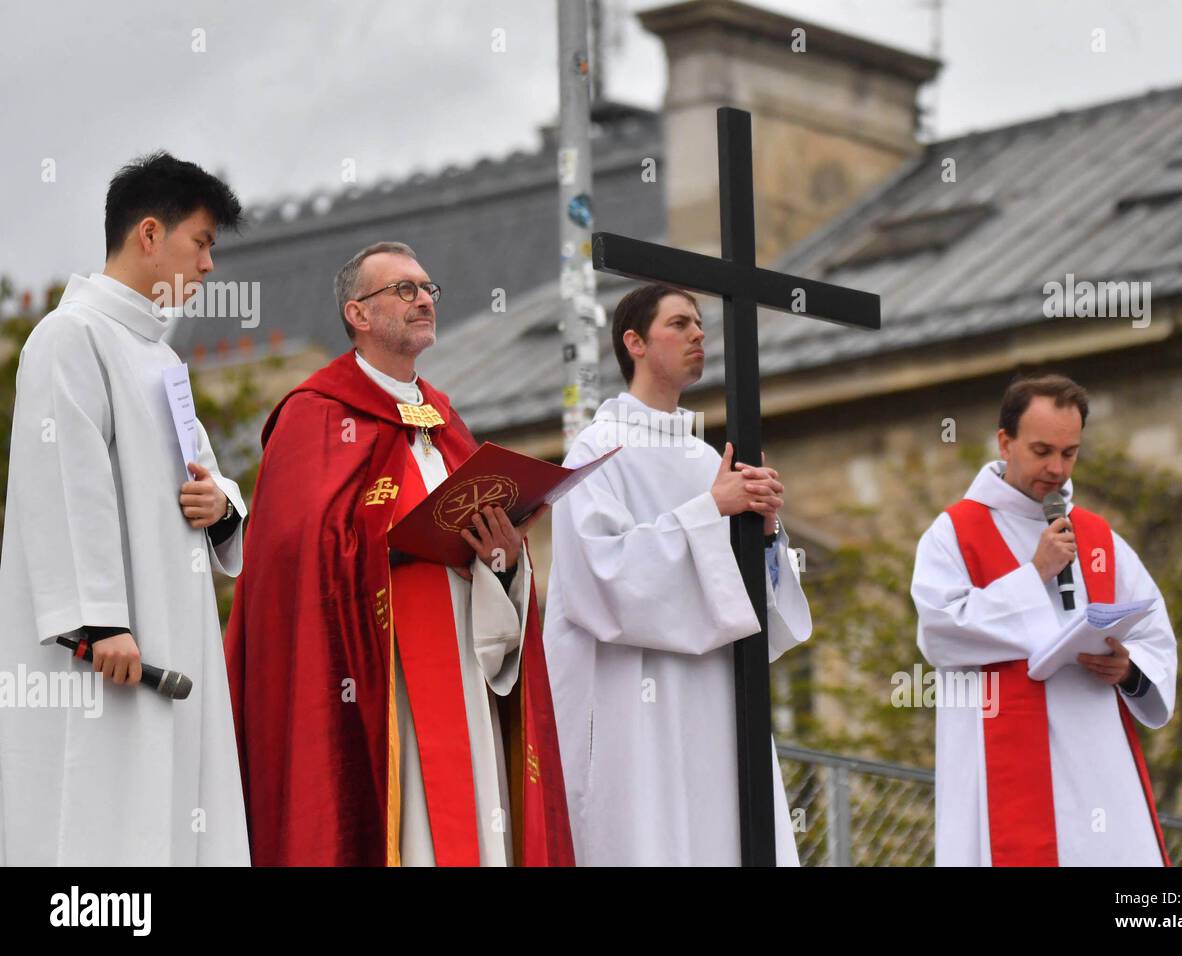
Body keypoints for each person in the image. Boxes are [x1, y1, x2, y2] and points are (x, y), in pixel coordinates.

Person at [225, 241, 572, 866]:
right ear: (358, 315)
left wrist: (504, 556)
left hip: (465, 667)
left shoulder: (444, 420)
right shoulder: (315, 417)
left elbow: (487, 556)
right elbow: (293, 561)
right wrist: (390, 537)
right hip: (383, 675)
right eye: (403, 290)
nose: (422, 301)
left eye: (427, 289)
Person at [0, 152, 249, 865]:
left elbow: (207, 471)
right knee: (104, 820)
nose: (207, 267)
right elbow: (62, 483)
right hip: (111, 650)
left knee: (175, 813)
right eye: (200, 243)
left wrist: (220, 505)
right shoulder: (68, 337)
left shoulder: (163, 361)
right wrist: (99, 621)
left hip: (174, 627)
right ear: (149, 234)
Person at [543, 283, 813, 865]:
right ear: (634, 342)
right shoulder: (596, 451)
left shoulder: (707, 460)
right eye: (680, 324)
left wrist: (764, 537)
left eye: (699, 324)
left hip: (718, 701)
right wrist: (710, 511)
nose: (698, 335)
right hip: (633, 707)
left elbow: (758, 618)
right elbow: (600, 579)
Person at [911, 374, 1177, 866]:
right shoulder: (953, 533)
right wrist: (1035, 575)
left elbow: (1153, 632)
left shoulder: (1098, 537)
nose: (1057, 468)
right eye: (1042, 451)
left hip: (1098, 758)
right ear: (1005, 442)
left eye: (1069, 452)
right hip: (1003, 762)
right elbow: (940, 632)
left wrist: (1130, 669)